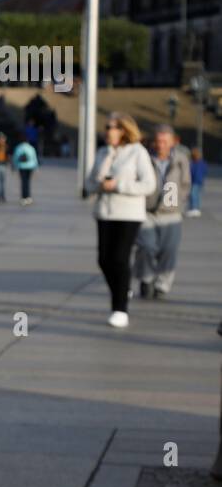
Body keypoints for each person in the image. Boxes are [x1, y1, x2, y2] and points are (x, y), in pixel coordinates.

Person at [86, 112, 155, 328]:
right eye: (106, 127)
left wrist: (119, 186)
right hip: (105, 212)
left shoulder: (138, 152)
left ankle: (119, 308)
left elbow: (149, 185)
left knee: (119, 258)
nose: (107, 131)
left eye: (112, 127)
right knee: (103, 259)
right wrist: (99, 184)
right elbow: (88, 183)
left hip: (128, 213)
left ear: (124, 130)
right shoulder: (102, 152)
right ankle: (122, 288)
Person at [134, 125, 191, 299]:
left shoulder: (180, 159)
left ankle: (162, 284)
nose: (161, 145)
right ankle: (146, 278)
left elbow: (185, 182)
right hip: (147, 211)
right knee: (146, 247)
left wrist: (180, 200)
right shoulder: (145, 157)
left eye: (165, 141)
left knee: (169, 250)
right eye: (158, 141)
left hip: (171, 212)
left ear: (173, 142)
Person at [12, 136, 39, 205]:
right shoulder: (31, 148)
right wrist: (36, 167)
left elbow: (15, 157)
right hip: (30, 166)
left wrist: (14, 166)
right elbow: (34, 158)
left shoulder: (18, 147)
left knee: (23, 182)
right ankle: (28, 197)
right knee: (28, 182)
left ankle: (23, 197)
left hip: (21, 166)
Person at [187, 146, 205, 217]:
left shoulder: (197, 163)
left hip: (195, 181)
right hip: (198, 181)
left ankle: (194, 208)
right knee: (196, 195)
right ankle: (195, 208)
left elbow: (194, 172)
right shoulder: (200, 163)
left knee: (193, 195)